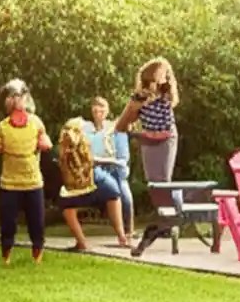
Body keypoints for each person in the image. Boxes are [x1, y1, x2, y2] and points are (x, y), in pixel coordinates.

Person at [0, 79, 52, 264]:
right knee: (8, 223)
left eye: (20, 96)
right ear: (8, 100)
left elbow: (47, 142)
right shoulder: (3, 125)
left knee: (37, 223)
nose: (16, 100)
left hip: (33, 182)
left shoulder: (36, 122)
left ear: (26, 98)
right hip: (9, 182)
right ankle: (6, 256)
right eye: (13, 96)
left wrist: (44, 143)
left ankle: (37, 256)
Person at [57, 117, 131, 250]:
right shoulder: (85, 142)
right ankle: (122, 236)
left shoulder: (64, 147)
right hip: (95, 179)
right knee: (113, 192)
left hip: (78, 186)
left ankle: (82, 242)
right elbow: (90, 162)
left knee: (66, 207)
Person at [115, 57, 180, 184]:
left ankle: (168, 203)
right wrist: (135, 107)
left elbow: (171, 90)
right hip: (149, 138)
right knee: (152, 181)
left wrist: (162, 73)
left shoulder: (166, 94)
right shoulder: (139, 97)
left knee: (163, 179)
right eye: (149, 81)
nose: (152, 84)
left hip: (166, 137)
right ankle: (158, 203)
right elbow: (121, 125)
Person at [84, 97, 134, 237]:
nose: (98, 111)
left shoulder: (115, 129)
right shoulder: (86, 130)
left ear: (107, 111)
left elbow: (122, 159)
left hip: (114, 170)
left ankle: (128, 232)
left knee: (124, 193)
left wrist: (101, 161)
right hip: (93, 170)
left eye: (102, 108)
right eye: (95, 109)